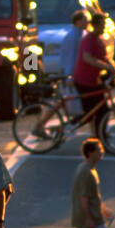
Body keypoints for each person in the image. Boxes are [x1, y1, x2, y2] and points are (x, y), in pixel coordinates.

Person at [31, 9, 88, 137]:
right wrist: (69, 76)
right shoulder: (71, 37)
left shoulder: (82, 34)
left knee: (63, 103)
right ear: (78, 21)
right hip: (70, 75)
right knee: (63, 103)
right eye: (85, 19)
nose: (87, 21)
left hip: (76, 74)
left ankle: (48, 126)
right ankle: (44, 126)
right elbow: (68, 58)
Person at [72, 13, 115, 130]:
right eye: (102, 25)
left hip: (94, 80)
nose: (104, 28)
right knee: (92, 112)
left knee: (101, 110)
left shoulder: (99, 40)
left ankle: (101, 136)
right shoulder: (88, 39)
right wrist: (107, 68)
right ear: (95, 25)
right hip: (84, 80)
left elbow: (105, 58)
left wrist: (114, 68)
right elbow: (87, 58)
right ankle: (98, 136)